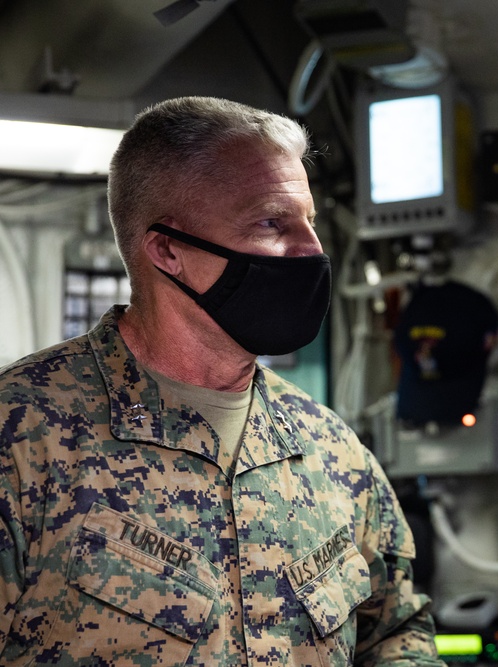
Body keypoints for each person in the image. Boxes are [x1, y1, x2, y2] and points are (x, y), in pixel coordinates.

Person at [0, 97, 444, 666]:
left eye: (309, 221)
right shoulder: (24, 437)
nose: (311, 249)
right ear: (168, 250)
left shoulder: (330, 450)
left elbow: (396, 632)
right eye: (271, 222)